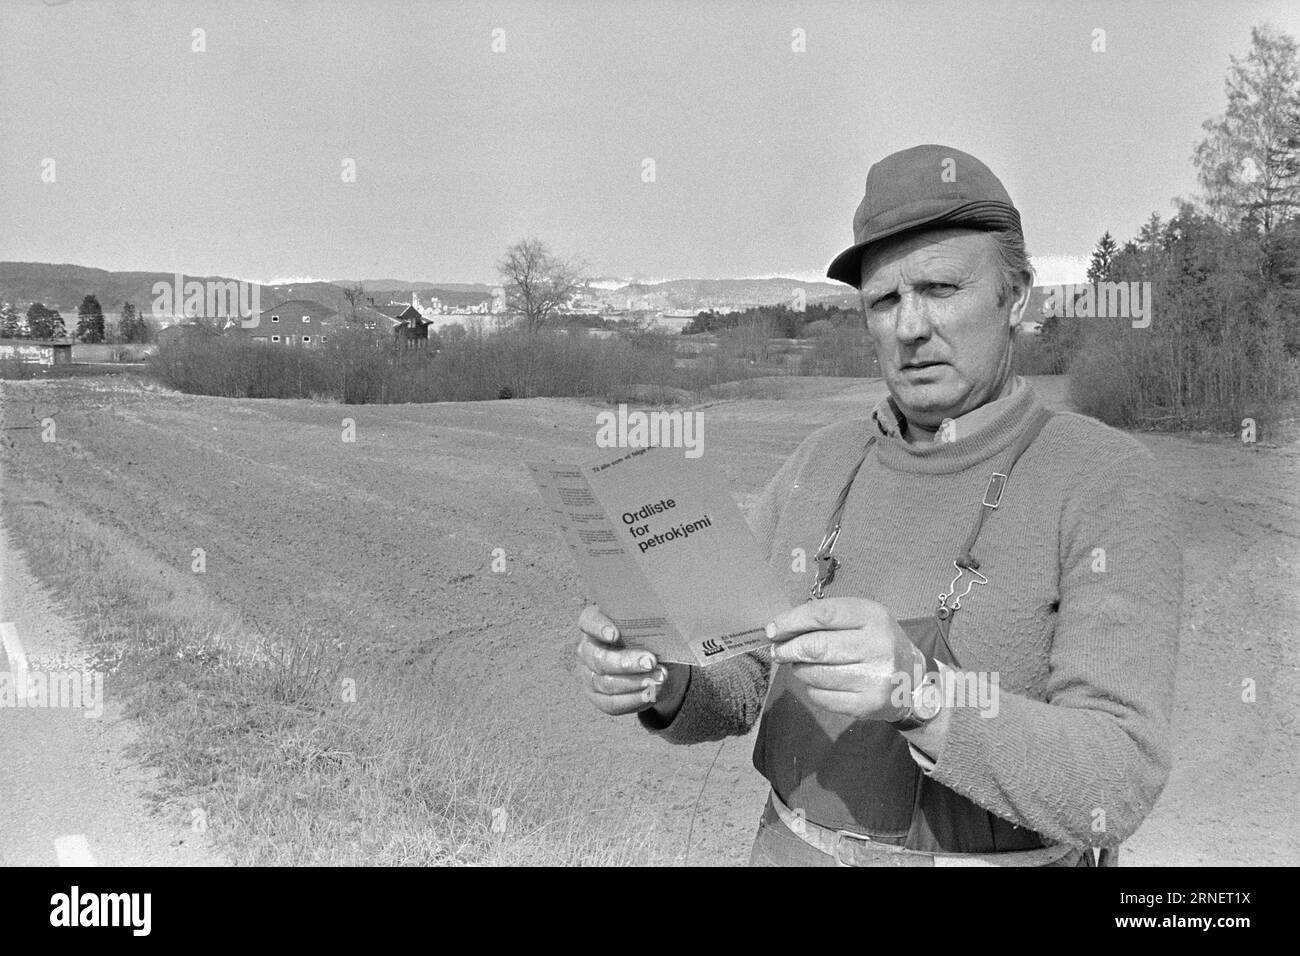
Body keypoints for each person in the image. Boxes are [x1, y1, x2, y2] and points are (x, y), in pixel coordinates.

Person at [575, 144, 1182, 867]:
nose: (910, 326)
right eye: (885, 301)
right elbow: (742, 684)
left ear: (1016, 295)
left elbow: (1117, 778)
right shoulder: (822, 464)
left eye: (940, 288)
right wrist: (665, 679)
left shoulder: (1102, 480)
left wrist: (922, 696)